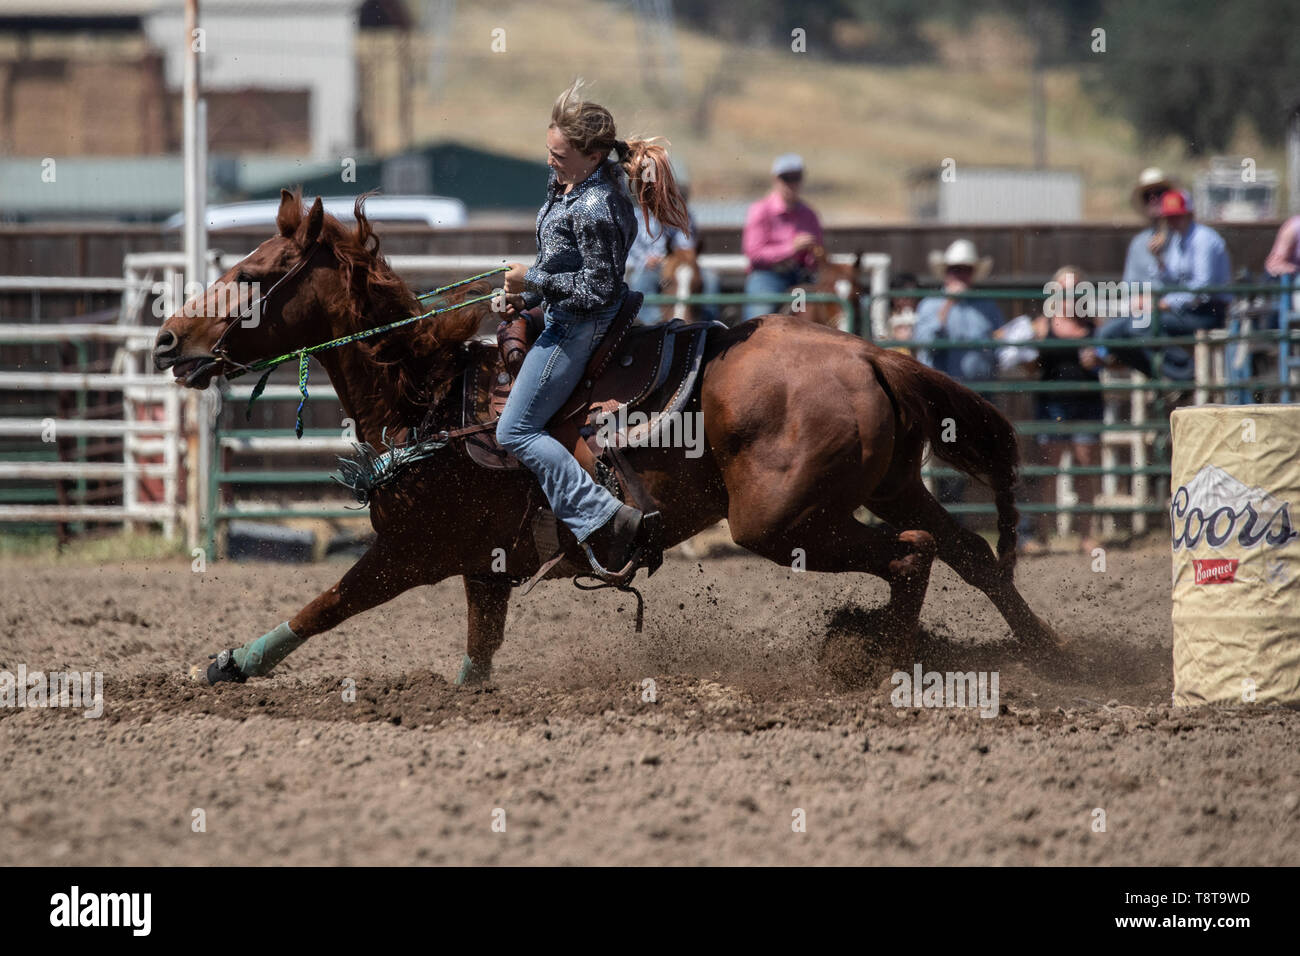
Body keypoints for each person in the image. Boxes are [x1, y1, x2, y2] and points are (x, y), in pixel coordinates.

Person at [499, 78, 690, 579]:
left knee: (514, 430)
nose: (549, 161)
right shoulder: (569, 186)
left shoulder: (597, 206)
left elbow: (596, 291)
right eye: (548, 150)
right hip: (563, 315)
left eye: (559, 154)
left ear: (592, 155)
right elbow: (566, 269)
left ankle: (602, 515)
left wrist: (532, 278)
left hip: (577, 330)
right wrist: (525, 294)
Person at [1098, 190, 1230, 380]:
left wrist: (1164, 303)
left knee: (1140, 326)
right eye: (1169, 217)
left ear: (1189, 215)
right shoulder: (1178, 240)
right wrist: (1159, 259)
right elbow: (1174, 281)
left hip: (1207, 312)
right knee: (1110, 334)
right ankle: (1165, 375)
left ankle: (1185, 374)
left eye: (1177, 217)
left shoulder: (1203, 240)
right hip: (1184, 310)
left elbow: (1202, 289)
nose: (1173, 221)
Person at [912, 239, 1003, 510]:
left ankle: (1019, 527)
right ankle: (955, 523)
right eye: (955, 269)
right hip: (947, 397)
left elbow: (999, 342)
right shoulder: (930, 305)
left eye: (965, 269)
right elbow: (924, 342)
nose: (960, 274)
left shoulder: (987, 307)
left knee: (1000, 455)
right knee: (951, 460)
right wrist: (947, 307)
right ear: (946, 272)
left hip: (982, 393)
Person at [1023, 266, 1103, 555]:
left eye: (1073, 289)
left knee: (1085, 467)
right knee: (1049, 471)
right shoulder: (1042, 326)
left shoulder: (1095, 324)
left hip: (1086, 403)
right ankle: (1042, 536)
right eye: (1061, 289)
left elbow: (1117, 356)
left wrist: (1100, 359)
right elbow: (1027, 364)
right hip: (1051, 403)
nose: (1067, 295)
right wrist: (1031, 352)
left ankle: (1086, 535)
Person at [741, 154, 824, 321]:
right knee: (759, 322)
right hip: (767, 276)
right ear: (776, 180)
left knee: (826, 312)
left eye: (796, 178)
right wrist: (792, 248)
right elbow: (754, 254)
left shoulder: (810, 214)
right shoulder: (761, 210)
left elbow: (818, 255)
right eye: (786, 178)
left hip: (801, 277)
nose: (791, 183)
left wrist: (813, 254)